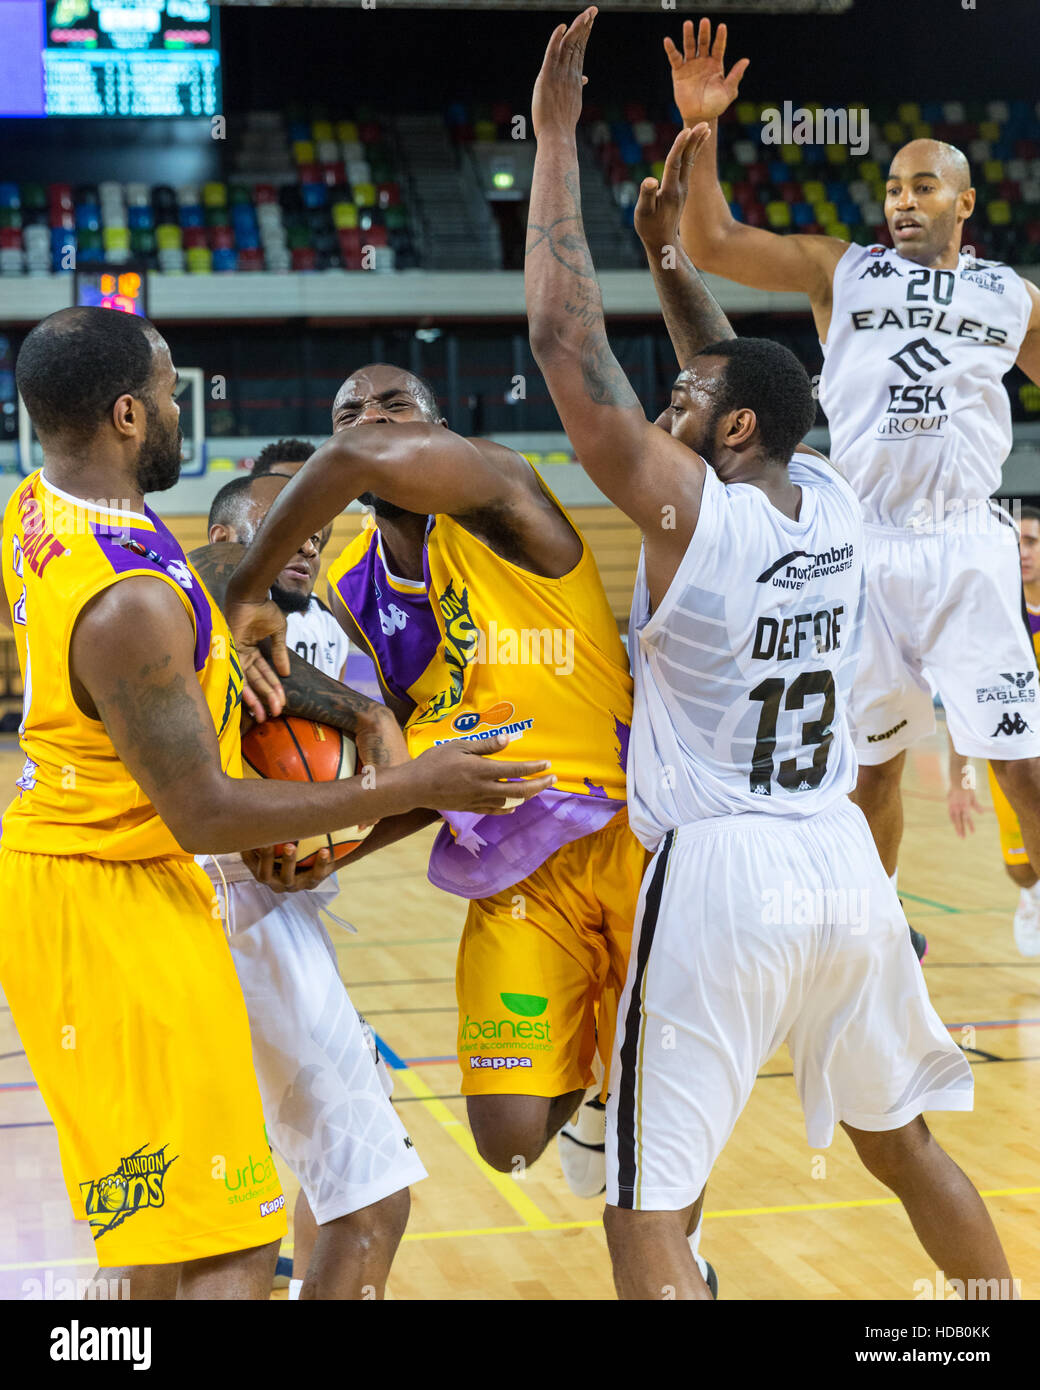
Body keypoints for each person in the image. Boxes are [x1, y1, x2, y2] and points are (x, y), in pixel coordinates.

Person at [524, 8, 1013, 1301]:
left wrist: (556, 147)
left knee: (648, 1214)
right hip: (846, 876)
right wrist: (671, 261)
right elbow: (729, 372)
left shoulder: (693, 512)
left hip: (727, 871)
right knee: (902, 1147)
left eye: (684, 408)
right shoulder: (837, 499)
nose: (667, 413)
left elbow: (566, 346)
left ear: (726, 432)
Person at [0, 306, 553, 1298]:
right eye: (171, 395)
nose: (180, 410)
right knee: (230, 1249)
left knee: (167, 1233)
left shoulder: (42, 508)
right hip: (116, 901)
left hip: (85, 880)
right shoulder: (133, 604)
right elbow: (204, 811)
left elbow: (171, 613)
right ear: (129, 413)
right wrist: (411, 782)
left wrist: (231, 647)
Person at [220, 370, 651, 1197]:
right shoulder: (351, 594)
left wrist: (245, 594)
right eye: (347, 412)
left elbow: (364, 458)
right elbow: (411, 777)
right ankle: (595, 1086)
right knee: (509, 1139)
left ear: (440, 432)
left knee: (661, 1114)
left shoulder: (504, 503)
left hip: (633, 836)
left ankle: (665, 1201)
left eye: (394, 410)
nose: (369, 424)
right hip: (516, 871)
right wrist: (329, 852)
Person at [664, 18, 1040, 946]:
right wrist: (702, 127)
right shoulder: (843, 270)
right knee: (871, 769)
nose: (902, 201)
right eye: (893, 187)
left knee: (1021, 757)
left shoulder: (1012, 297)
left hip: (965, 543)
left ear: (964, 203)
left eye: (924, 186)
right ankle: (875, 929)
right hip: (863, 547)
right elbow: (709, 241)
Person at [198, 470, 427, 1301]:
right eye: (279, 527)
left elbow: (374, 789)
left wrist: (333, 844)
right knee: (367, 1192)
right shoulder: (192, 599)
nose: (306, 542)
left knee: (206, 1206)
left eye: (318, 534)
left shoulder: (326, 632)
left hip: (258, 904)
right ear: (225, 538)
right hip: (232, 904)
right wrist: (370, 728)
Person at [947, 505, 1040, 955]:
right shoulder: (990, 614)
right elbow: (962, 703)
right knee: (1020, 867)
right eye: (1017, 542)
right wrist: (959, 780)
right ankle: (1030, 894)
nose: (1023, 552)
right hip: (1015, 748)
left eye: (1033, 543)